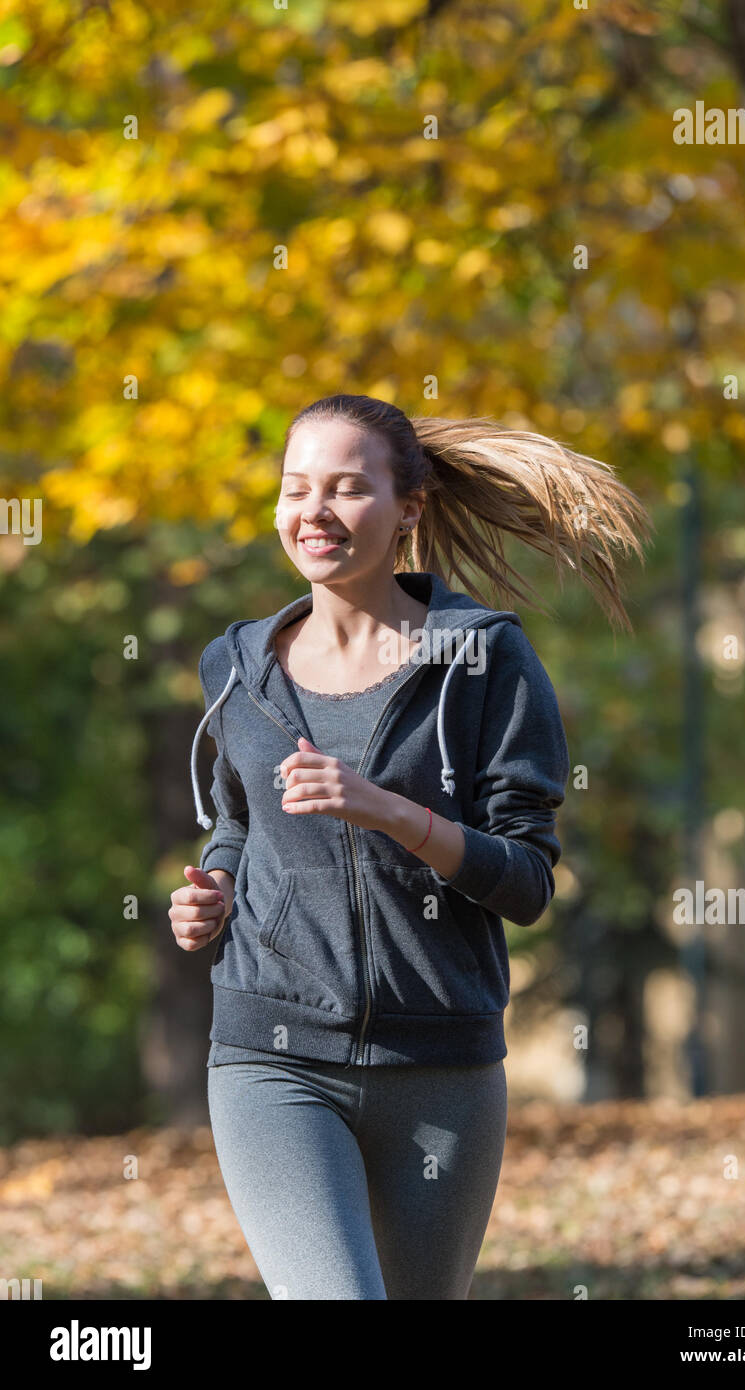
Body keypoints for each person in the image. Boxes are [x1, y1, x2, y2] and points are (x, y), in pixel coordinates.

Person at [169, 393, 649, 1300]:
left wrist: (389, 811)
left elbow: (527, 881)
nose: (313, 511)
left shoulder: (483, 659)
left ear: (408, 511)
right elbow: (235, 825)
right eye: (295, 487)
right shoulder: (236, 666)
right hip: (272, 1054)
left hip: (440, 1066)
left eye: (347, 489)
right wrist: (214, 893)